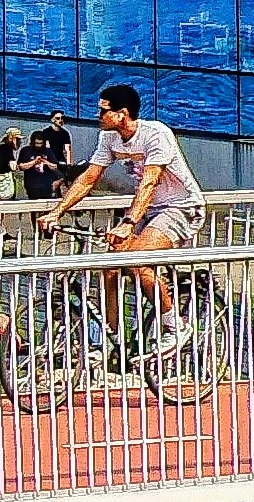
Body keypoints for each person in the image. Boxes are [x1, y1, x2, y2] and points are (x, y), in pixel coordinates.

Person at [46, 81, 207, 361]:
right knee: (109, 266)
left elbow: (150, 180)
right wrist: (56, 212)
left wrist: (128, 223)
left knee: (136, 259)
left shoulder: (156, 134)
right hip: (147, 210)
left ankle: (176, 326)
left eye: (103, 111)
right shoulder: (109, 139)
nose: (98, 116)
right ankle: (112, 338)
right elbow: (89, 178)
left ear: (122, 113)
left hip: (181, 207)